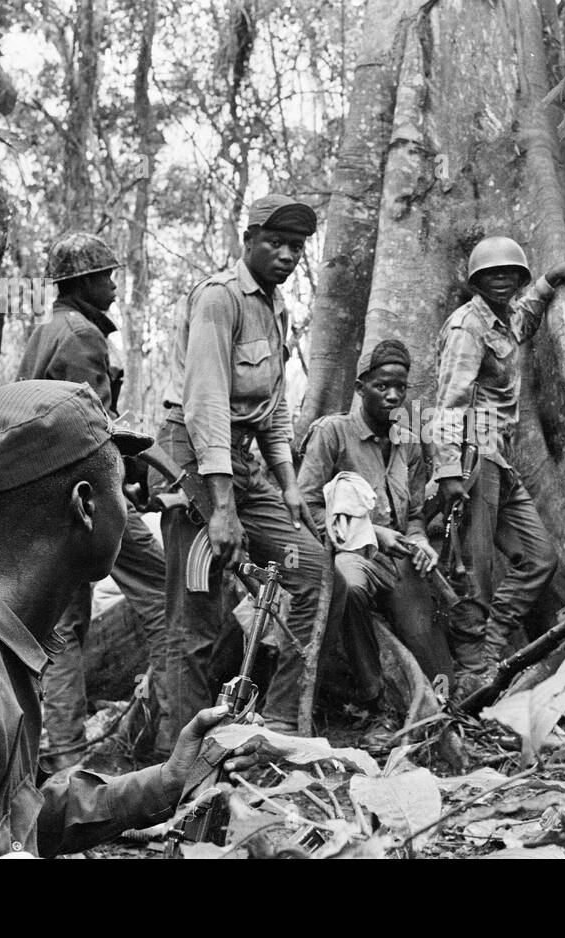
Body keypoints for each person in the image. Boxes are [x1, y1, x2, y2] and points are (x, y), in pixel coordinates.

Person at [0, 381, 268, 857]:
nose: (132, 507)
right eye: (120, 488)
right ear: (85, 505)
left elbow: (8, 818)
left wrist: (169, 779)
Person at [158, 193, 328, 741]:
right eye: (275, 243)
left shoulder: (275, 307)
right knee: (196, 618)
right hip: (196, 465)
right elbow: (204, 404)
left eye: (296, 247)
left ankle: (277, 723)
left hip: (242, 463)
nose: (286, 255)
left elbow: (273, 409)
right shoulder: (218, 298)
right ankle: (174, 765)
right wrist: (222, 510)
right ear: (248, 241)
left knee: (314, 574)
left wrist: (289, 487)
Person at [18, 232, 169, 769]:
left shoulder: (47, 331)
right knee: (167, 595)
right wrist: (139, 476)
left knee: (63, 629)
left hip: (48, 497)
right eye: (107, 276)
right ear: (83, 283)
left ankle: (64, 757)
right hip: (87, 496)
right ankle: (172, 739)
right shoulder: (81, 336)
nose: (113, 285)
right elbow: (92, 429)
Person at [432, 236, 565, 697]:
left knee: (539, 557)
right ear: (476, 281)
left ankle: (494, 643)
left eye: (510, 273)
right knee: (474, 569)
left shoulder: (502, 319)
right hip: (470, 457)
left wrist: (545, 284)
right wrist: (446, 472)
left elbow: (522, 321)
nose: (501, 280)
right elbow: (448, 402)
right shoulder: (467, 327)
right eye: (490, 274)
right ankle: (472, 671)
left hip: (498, 458)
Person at [298, 338, 452, 713]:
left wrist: (418, 541)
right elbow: (306, 508)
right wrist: (372, 533)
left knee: (434, 666)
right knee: (347, 588)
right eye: (382, 386)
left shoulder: (409, 441)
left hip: (398, 559)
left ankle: (436, 710)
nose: (393, 396)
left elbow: (414, 512)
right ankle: (372, 699)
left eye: (400, 387)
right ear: (360, 388)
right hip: (351, 551)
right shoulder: (332, 433)